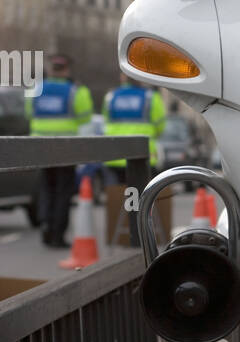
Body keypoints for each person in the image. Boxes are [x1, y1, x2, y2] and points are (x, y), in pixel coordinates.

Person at [29, 53, 94, 247]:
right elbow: (85, 122)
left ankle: (46, 228)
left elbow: (28, 112)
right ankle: (57, 235)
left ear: (51, 69)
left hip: (40, 147)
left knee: (46, 188)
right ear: (66, 70)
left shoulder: (36, 89)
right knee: (63, 192)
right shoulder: (76, 91)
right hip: (66, 149)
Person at [101, 75, 166, 184]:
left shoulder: (111, 96)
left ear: (123, 77)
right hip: (143, 153)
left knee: (119, 192)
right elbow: (160, 125)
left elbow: (106, 120)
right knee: (141, 191)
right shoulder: (151, 97)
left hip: (116, 155)